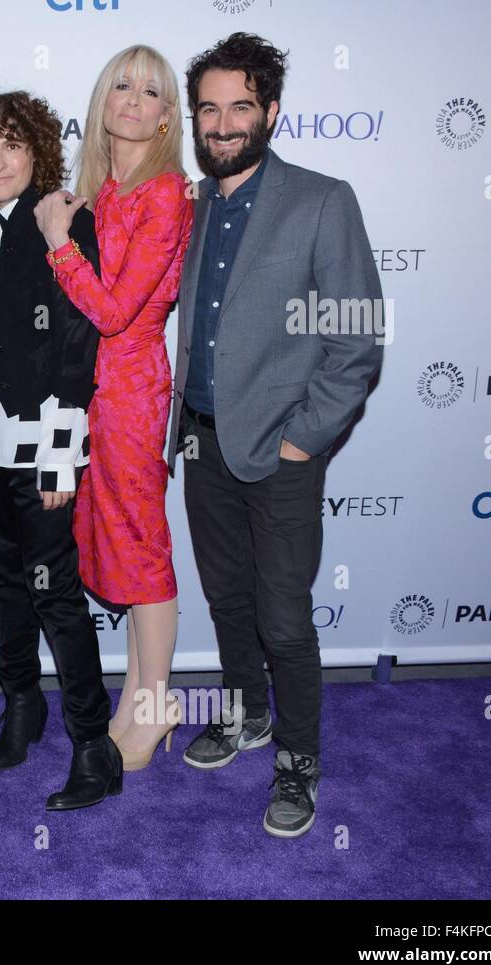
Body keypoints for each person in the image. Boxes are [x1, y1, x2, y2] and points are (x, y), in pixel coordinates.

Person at [167, 33, 383, 838]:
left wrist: (303, 441)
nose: (222, 124)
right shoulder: (194, 203)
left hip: (281, 451)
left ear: (272, 112)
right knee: (226, 598)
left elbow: (356, 338)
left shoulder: (322, 200)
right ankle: (247, 712)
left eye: (240, 107)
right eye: (209, 109)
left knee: (283, 615)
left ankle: (298, 757)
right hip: (198, 440)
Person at [0, 89, 121, 810]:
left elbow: (79, 344)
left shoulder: (65, 220)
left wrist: (58, 452)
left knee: (57, 595)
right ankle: (22, 704)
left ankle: (93, 744)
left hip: (39, 437)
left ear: (37, 150)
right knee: (8, 582)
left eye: (11, 145)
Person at [36, 45, 194, 772]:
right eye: (122, 86)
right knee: (125, 552)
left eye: (150, 92)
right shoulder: (104, 194)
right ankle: (139, 700)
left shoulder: (163, 193)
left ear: (167, 116)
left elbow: (114, 310)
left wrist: (58, 244)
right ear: (104, 101)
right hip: (93, 395)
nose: (133, 99)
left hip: (131, 392)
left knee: (144, 546)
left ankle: (158, 710)